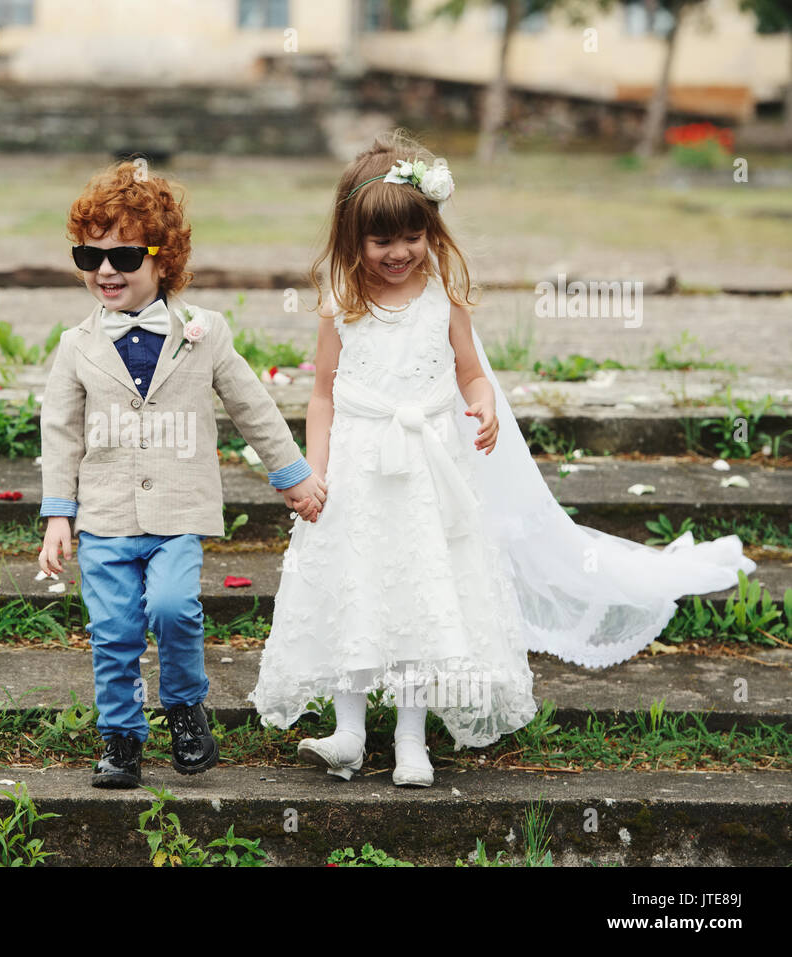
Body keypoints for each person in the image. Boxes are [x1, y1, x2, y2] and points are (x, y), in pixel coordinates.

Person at [248, 129, 756, 787]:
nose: (399, 252)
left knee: (419, 592)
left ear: (431, 229)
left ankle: (410, 737)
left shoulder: (442, 300)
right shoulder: (340, 305)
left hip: (428, 474)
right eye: (381, 241)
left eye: (412, 236)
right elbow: (321, 396)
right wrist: (314, 471)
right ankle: (348, 731)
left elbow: (471, 373)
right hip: (356, 468)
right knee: (355, 587)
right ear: (352, 242)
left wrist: (483, 403)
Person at [38, 161, 327, 789]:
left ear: (164, 259)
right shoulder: (76, 345)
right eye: (89, 257)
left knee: (173, 609)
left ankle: (186, 707)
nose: (104, 271)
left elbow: (252, 405)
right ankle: (120, 736)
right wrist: (58, 513)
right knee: (112, 631)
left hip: (177, 513)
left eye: (122, 256)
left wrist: (294, 476)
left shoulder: (205, 333)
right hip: (107, 518)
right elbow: (60, 432)